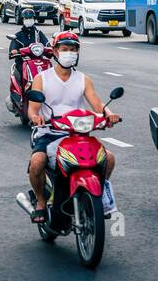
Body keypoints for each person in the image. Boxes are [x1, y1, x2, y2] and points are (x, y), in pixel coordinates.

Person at [26, 31, 119, 223]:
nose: (69, 53)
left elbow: (97, 104)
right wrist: (36, 117)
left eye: (73, 50)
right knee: (37, 162)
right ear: (55, 52)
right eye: (65, 49)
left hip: (79, 133)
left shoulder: (83, 79)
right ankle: (42, 202)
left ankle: (99, 195)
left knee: (108, 158)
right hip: (49, 132)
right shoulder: (42, 78)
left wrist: (108, 115)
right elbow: (32, 109)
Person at [8, 7, 50, 94]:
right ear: (23, 19)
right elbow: (13, 49)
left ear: (34, 19)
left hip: (38, 61)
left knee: (50, 69)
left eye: (30, 18)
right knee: (22, 74)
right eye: (26, 18)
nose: (29, 20)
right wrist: (15, 51)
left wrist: (51, 49)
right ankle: (21, 94)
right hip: (23, 61)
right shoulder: (18, 35)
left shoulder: (38, 33)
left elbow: (47, 44)